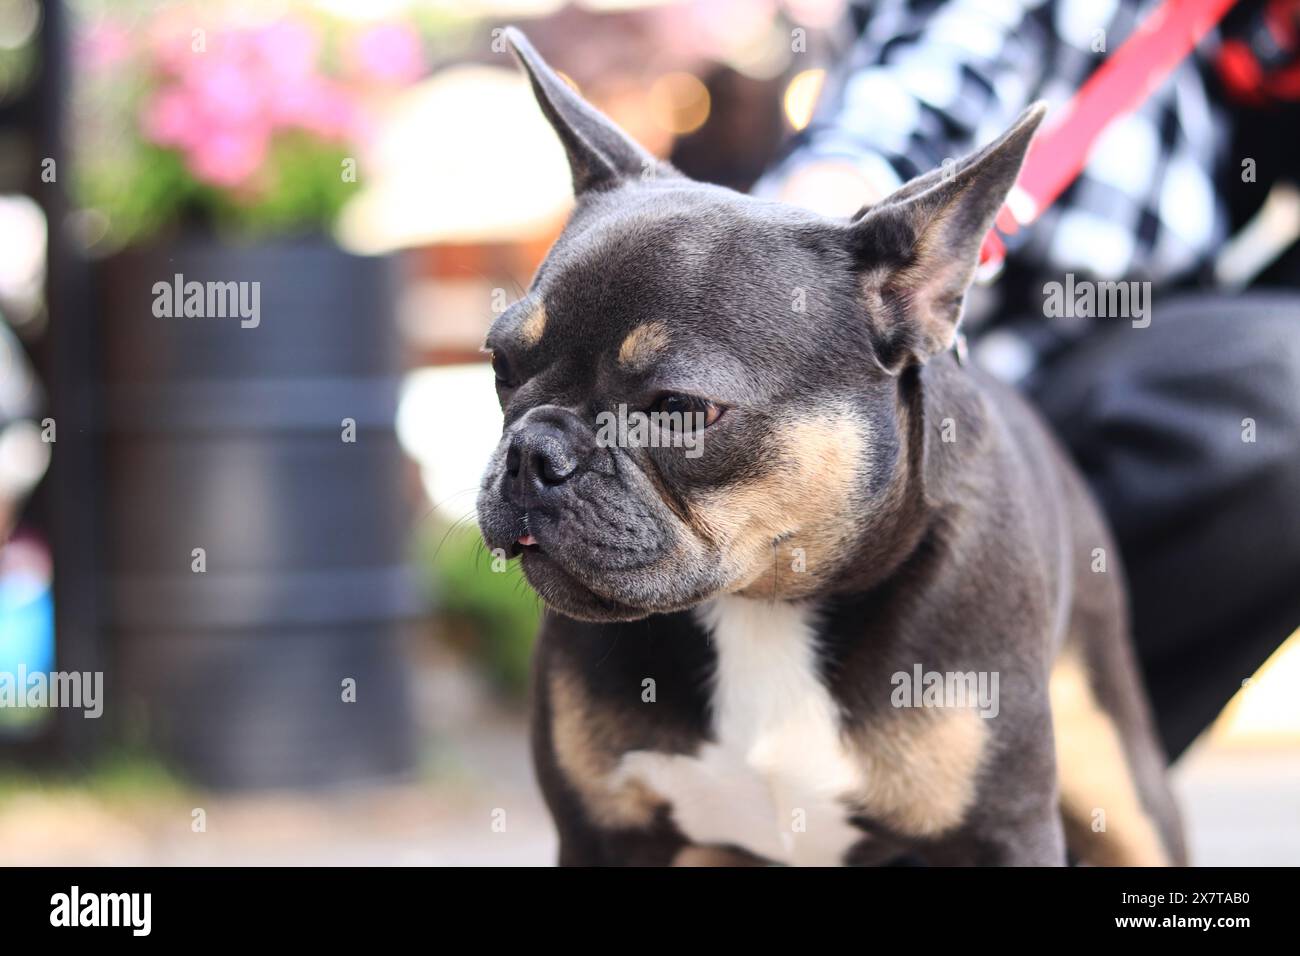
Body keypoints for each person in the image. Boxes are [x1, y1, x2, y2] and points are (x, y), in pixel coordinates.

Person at [757, 0, 1300, 759]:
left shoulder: (1250, 60)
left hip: (1081, 444)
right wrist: (801, 257)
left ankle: (1060, 778)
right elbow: (924, 88)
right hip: (966, 419)